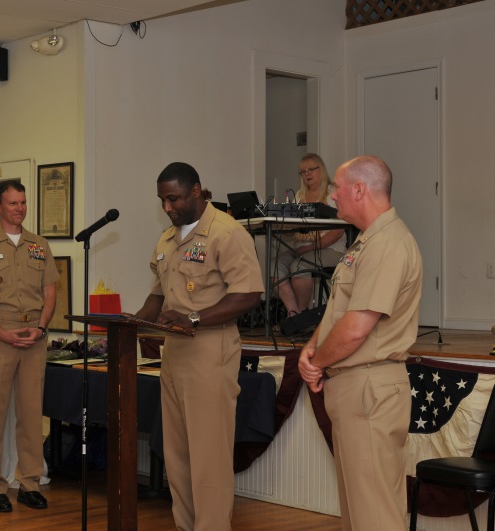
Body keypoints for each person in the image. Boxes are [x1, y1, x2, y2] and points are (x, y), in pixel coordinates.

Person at [132, 162, 264, 530]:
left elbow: (248, 294)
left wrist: (193, 318)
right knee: (177, 454)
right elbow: (157, 297)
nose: (167, 207)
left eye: (173, 199)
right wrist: (133, 323)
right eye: (162, 200)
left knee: (208, 455)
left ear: (195, 191)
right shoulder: (167, 239)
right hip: (174, 353)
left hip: (210, 348)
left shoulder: (227, 232)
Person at [297, 155, 422, 531]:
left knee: (375, 516)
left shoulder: (387, 244)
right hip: (354, 386)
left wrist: (316, 362)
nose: (333, 195)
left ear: (359, 190)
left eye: (337, 187)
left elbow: (356, 328)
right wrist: (312, 347)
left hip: (370, 385)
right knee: (358, 514)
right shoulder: (365, 243)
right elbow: (340, 310)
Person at [0, 180, 59, 513]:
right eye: (13, 203)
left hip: (34, 336)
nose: (20, 208)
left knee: (31, 414)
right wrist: (0, 332)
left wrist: (42, 328)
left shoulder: (39, 245)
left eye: (23, 202)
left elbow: (50, 292)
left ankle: (30, 482)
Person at [274, 154, 346, 322]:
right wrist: (283, 222)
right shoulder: (300, 195)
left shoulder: (333, 194)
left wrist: (308, 248)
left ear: (322, 169)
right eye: (303, 171)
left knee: (299, 266)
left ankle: (301, 317)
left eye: (311, 169)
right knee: (274, 266)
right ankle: (294, 313)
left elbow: (337, 232)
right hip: (301, 248)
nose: (307, 174)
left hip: (331, 249)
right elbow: (292, 230)